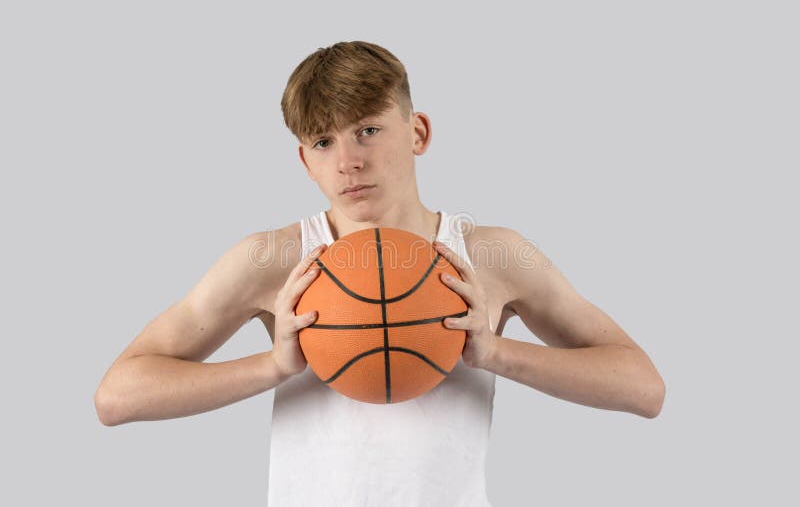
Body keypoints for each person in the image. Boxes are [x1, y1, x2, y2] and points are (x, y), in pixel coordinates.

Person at [94, 41, 666, 506]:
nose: (348, 161)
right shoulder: (274, 260)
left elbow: (643, 388)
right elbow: (117, 397)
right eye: (323, 141)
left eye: (367, 130)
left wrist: (496, 353)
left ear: (417, 132)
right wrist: (273, 365)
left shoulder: (490, 256)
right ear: (304, 160)